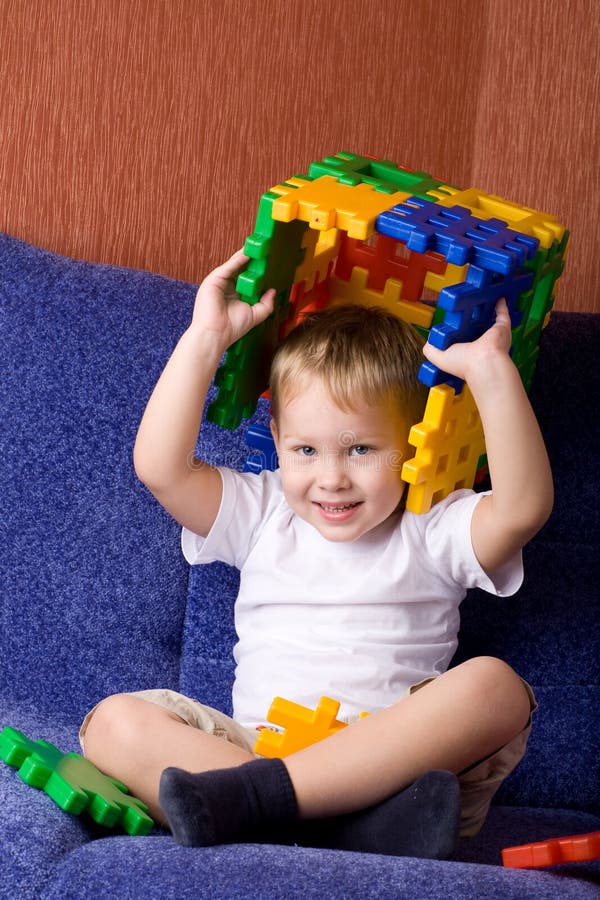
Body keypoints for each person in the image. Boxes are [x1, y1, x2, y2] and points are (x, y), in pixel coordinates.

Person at [81, 249, 552, 858]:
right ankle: (325, 824)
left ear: (414, 446)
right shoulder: (264, 511)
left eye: (360, 450)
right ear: (276, 439)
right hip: (253, 751)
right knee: (112, 722)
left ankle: (271, 811)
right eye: (305, 451)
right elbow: (161, 469)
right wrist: (206, 339)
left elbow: (522, 509)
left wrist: (491, 371)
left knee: (498, 688)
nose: (331, 479)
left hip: (393, 777)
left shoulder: (430, 526)